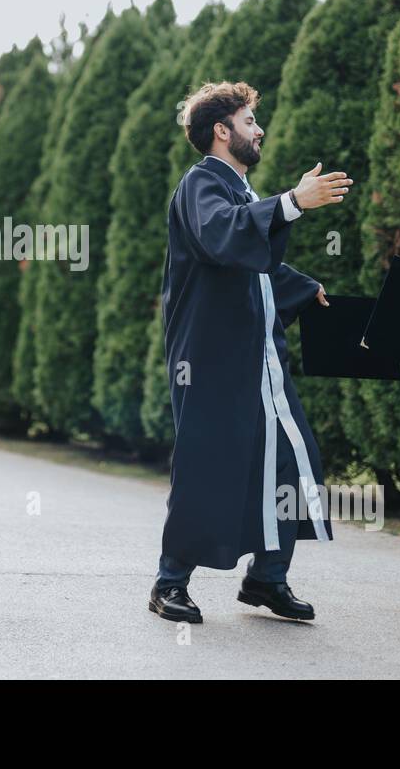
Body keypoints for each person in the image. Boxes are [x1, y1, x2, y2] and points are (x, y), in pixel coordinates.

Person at [149, 81, 350, 625]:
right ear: (222, 130)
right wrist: (292, 202)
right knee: (207, 464)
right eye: (249, 121)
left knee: (291, 457)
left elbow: (251, 267)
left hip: (261, 361)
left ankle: (266, 578)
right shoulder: (200, 186)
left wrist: (304, 288)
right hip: (211, 361)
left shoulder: (241, 193)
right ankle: (169, 582)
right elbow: (223, 240)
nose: (259, 130)